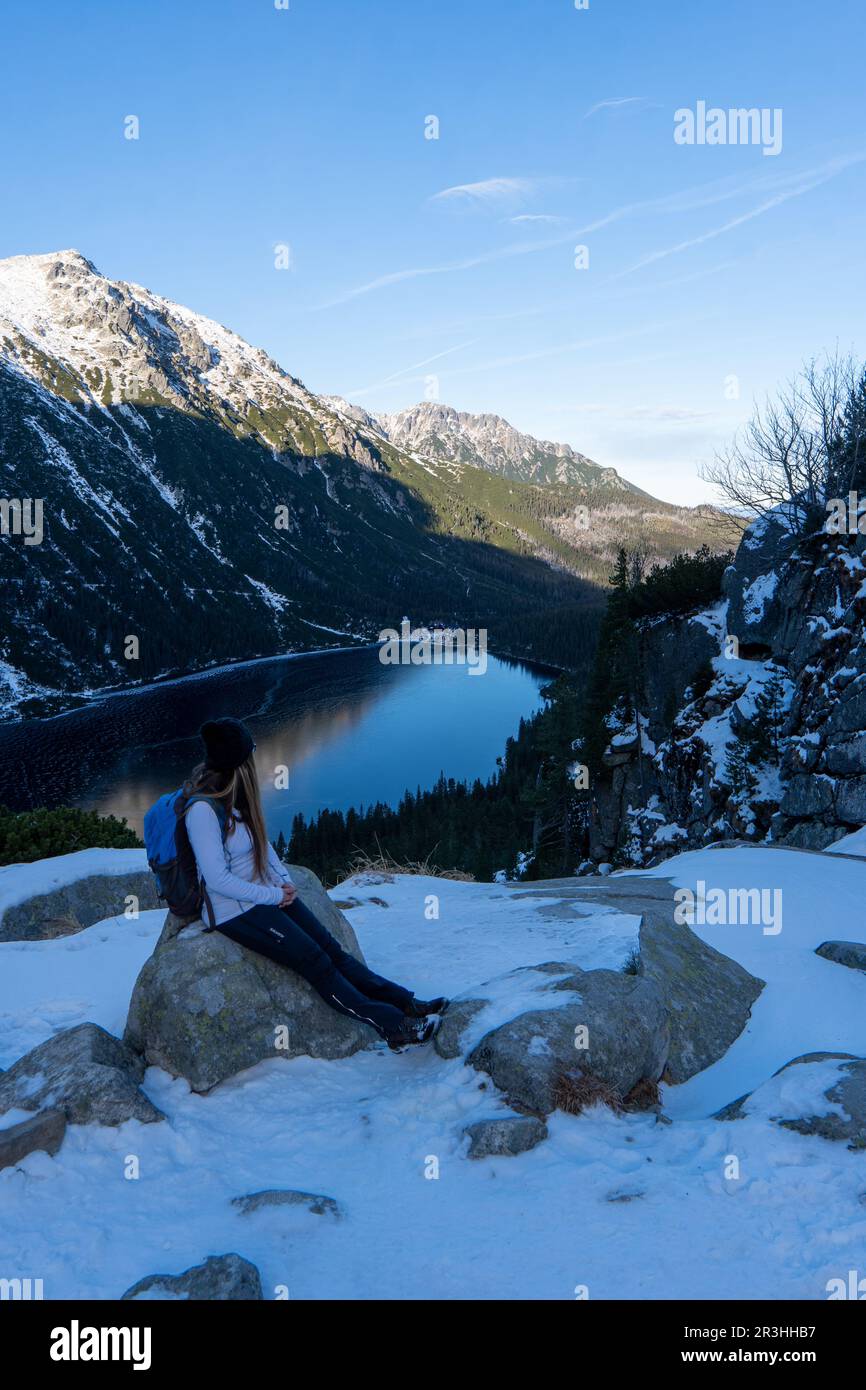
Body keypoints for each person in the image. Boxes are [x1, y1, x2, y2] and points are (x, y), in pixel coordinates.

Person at [183, 717, 448, 1050]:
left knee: (331, 949)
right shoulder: (203, 812)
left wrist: (284, 883)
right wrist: (271, 894)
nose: (255, 760)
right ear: (239, 762)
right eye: (250, 754)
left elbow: (263, 846)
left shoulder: (235, 797)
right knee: (316, 962)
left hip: (264, 897)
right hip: (233, 911)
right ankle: (392, 1025)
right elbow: (218, 879)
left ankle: (404, 1003)